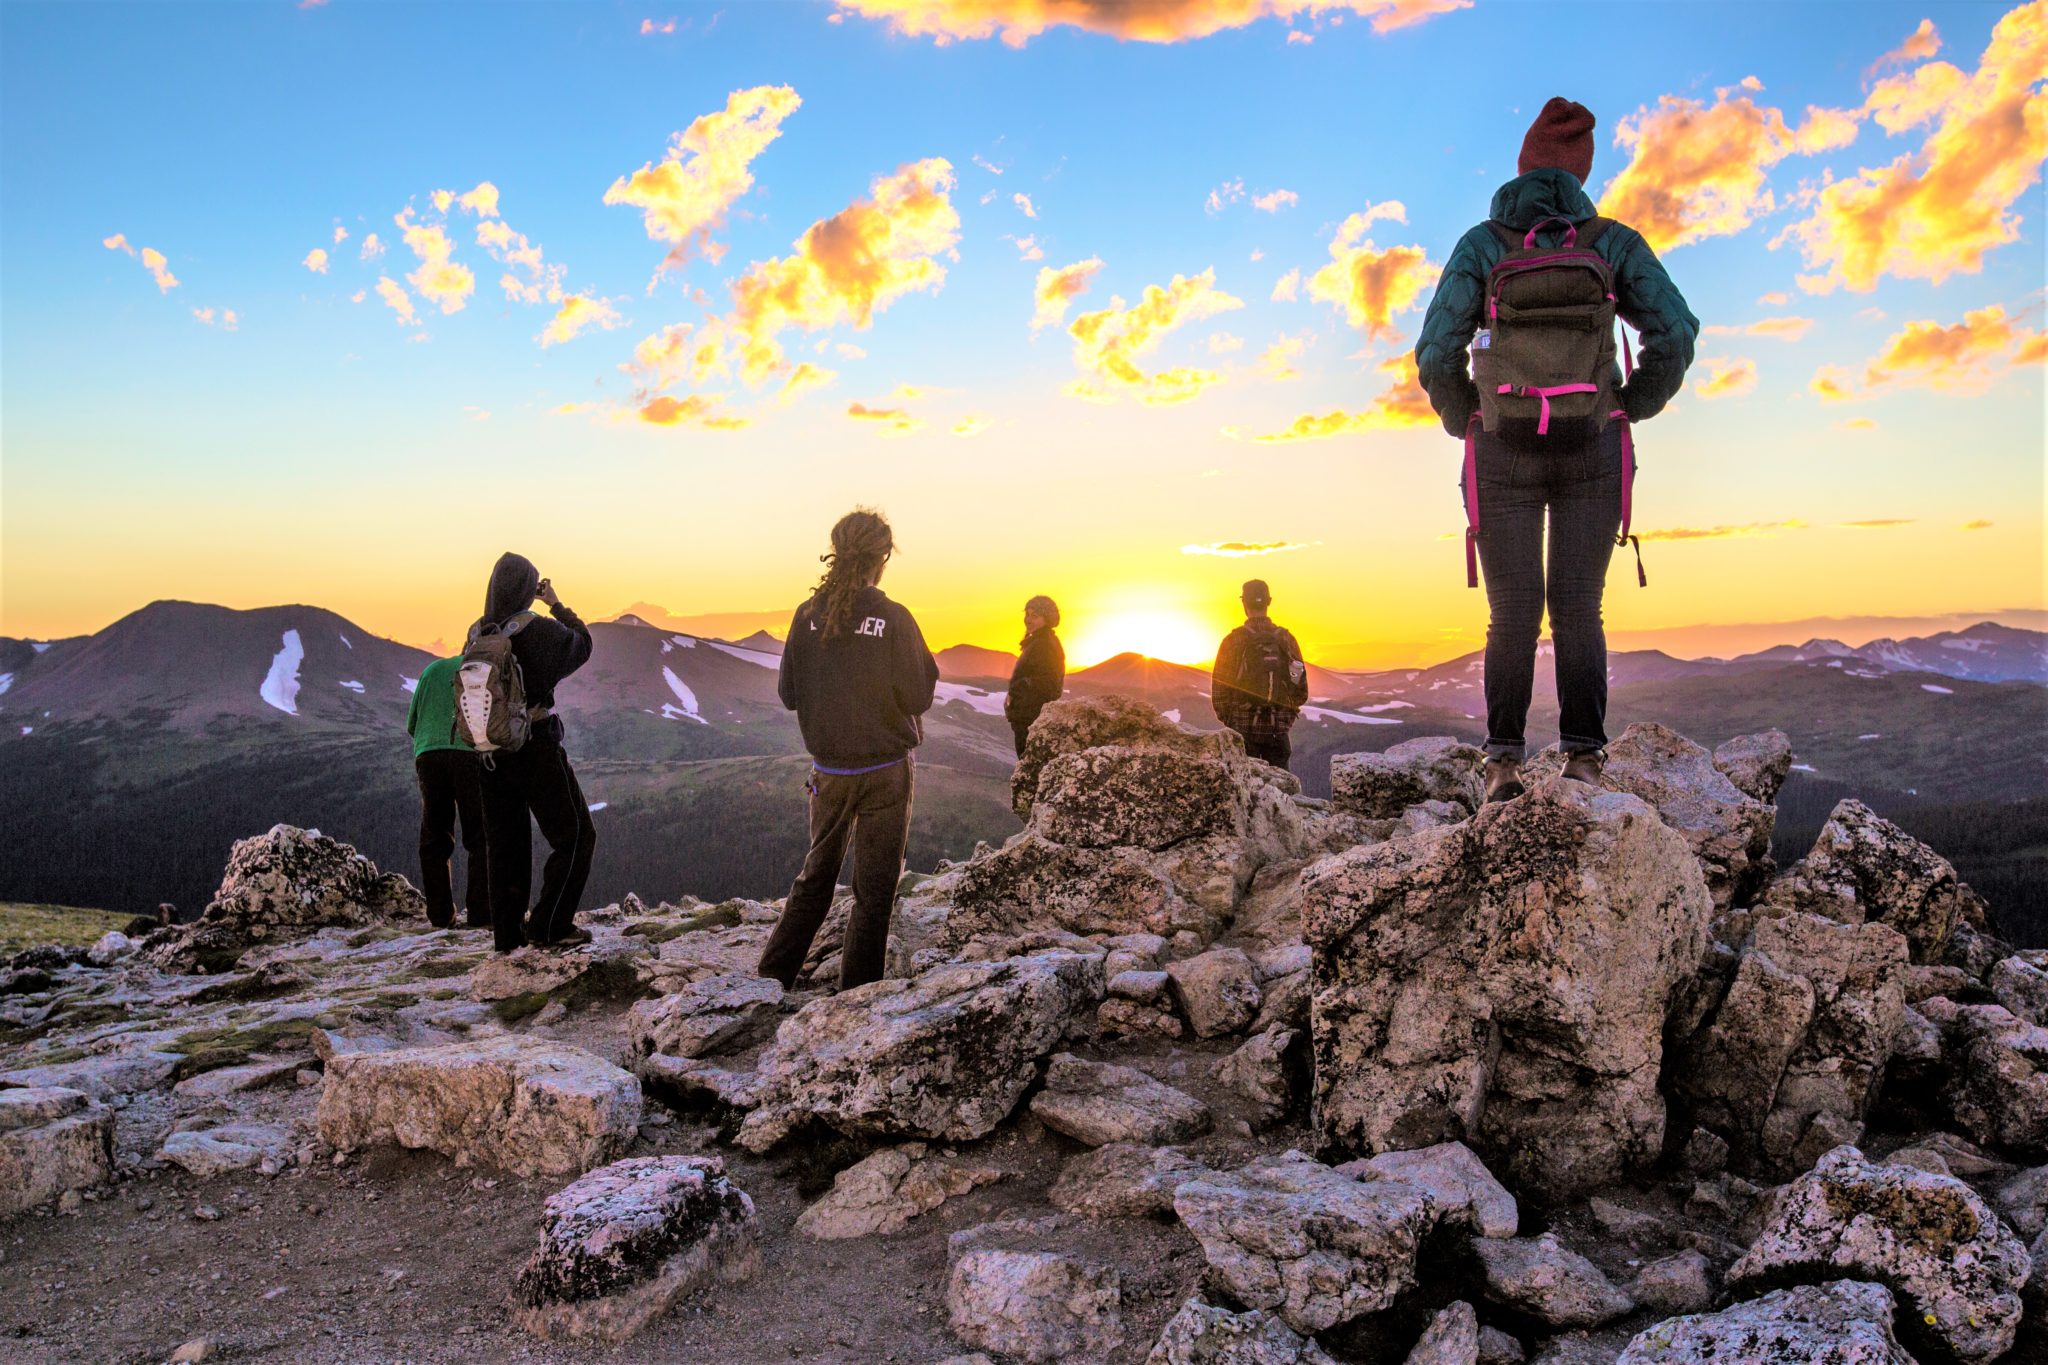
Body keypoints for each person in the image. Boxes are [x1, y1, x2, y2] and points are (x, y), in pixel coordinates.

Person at [1414, 97, 1697, 804]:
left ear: (1522, 169)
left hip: (1503, 444)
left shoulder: (1484, 244)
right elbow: (1678, 330)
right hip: (1593, 442)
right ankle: (1583, 763)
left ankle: (1504, 765)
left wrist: (1469, 417)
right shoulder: (1611, 241)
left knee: (1512, 612)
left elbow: (1433, 352)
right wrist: (1631, 401)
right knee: (1578, 606)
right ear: (1580, 175)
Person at [758, 509, 939, 993]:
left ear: (837, 550)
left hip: (829, 772)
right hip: (885, 770)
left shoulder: (807, 615)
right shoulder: (895, 618)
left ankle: (769, 982)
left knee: (814, 880)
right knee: (874, 894)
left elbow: (789, 694)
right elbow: (920, 695)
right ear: (882, 558)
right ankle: (857, 997)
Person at [472, 552, 596, 952]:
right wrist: (557, 604)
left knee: (505, 849)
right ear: (528, 589)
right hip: (535, 749)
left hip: (489, 755)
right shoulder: (536, 630)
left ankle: (507, 938)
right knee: (575, 835)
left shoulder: (478, 635)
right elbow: (583, 644)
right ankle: (549, 926)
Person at [405, 652, 488, 930]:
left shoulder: (432, 670)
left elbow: (411, 723)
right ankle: (480, 914)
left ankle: (441, 917)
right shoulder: (483, 670)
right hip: (470, 754)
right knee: (480, 836)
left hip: (428, 754)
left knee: (434, 836)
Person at [1211, 579, 1308, 771]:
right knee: (1283, 793)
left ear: (1243, 603)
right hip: (1278, 733)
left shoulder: (1233, 641)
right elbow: (1300, 689)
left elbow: (1219, 694)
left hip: (1243, 732)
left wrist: (1234, 722)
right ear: (1269, 601)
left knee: (1247, 794)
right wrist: (1284, 719)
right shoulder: (1286, 639)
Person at [1003, 595, 1066, 755]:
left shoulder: (1044, 644)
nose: (1028, 620)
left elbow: (1051, 683)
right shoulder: (1040, 641)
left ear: (1047, 619)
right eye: (1027, 614)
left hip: (1031, 716)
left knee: (1027, 762)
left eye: (1035, 616)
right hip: (1027, 715)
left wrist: (1019, 688)